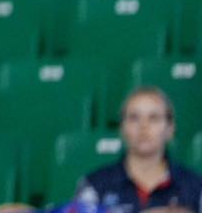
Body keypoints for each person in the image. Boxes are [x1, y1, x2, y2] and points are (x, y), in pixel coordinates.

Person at [74, 87, 202, 211]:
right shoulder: (95, 185)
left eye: (154, 118)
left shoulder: (194, 187)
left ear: (170, 128)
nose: (143, 126)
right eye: (134, 118)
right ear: (122, 127)